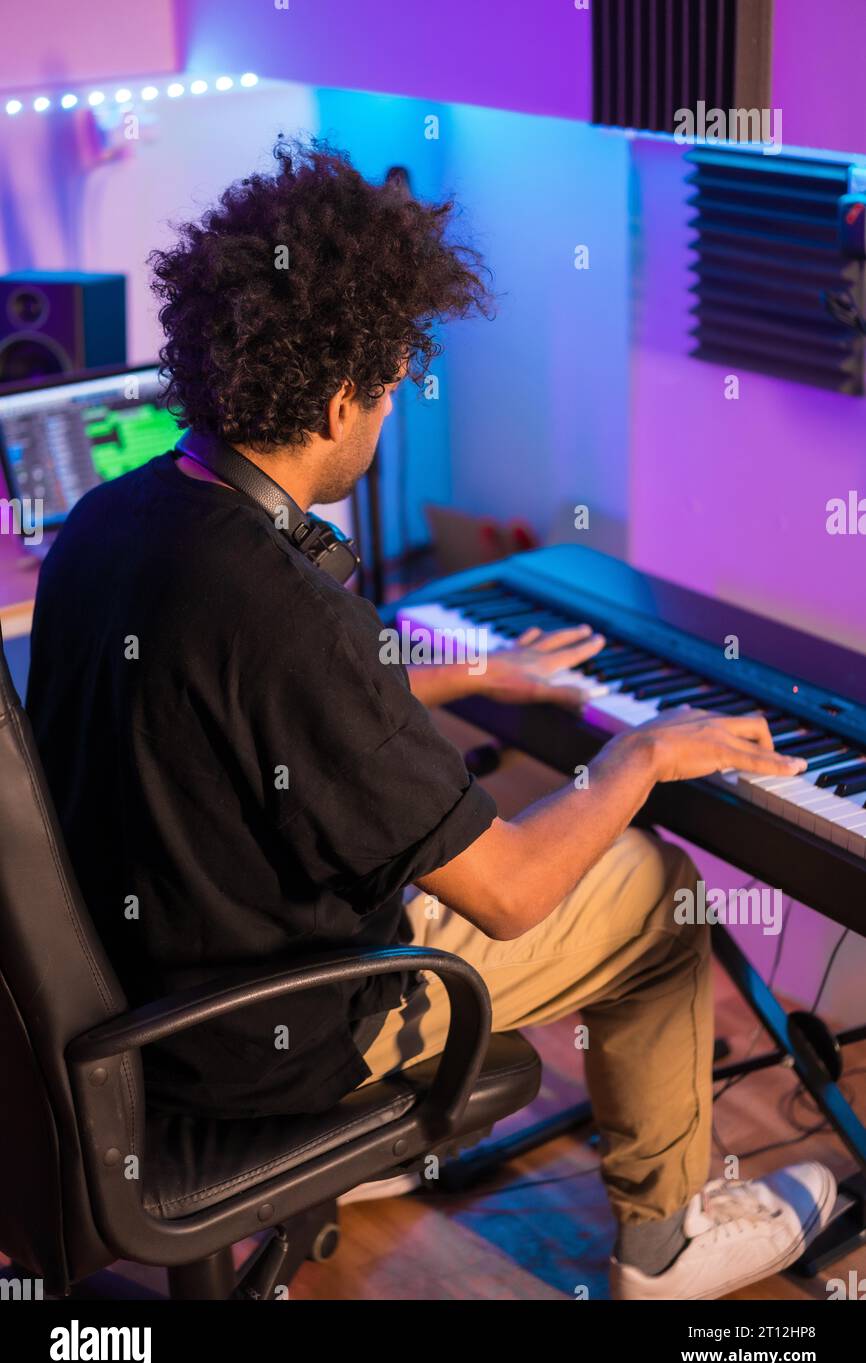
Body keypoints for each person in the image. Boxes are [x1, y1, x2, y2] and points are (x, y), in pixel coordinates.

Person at [26, 138, 835, 1300]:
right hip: (266, 1041)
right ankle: (664, 1247)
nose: (394, 403)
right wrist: (637, 754)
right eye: (392, 384)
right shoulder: (290, 612)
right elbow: (506, 891)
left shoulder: (109, 524)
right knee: (655, 886)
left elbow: (250, 717)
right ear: (339, 399)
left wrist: (467, 676)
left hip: (142, 993)